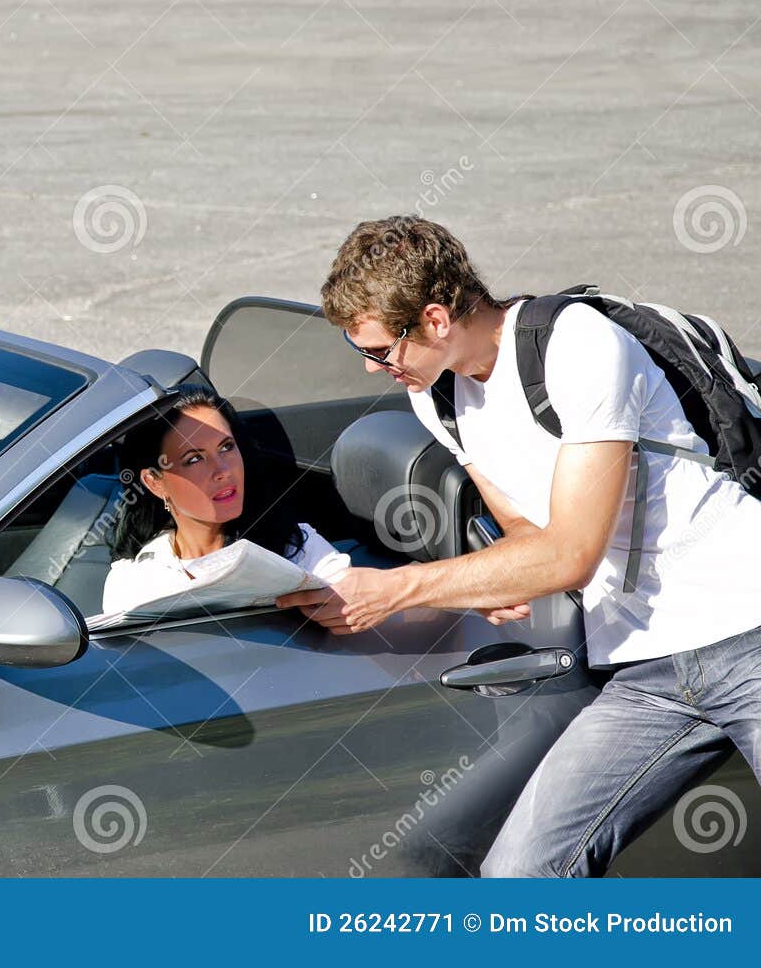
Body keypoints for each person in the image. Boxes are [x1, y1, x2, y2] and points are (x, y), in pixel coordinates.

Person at [284, 215, 761, 877]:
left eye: (381, 349)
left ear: (435, 318)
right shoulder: (440, 396)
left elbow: (569, 554)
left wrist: (394, 590)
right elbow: (530, 538)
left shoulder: (574, 343)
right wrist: (498, 578)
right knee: (521, 876)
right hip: (646, 669)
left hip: (747, 625)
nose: (374, 367)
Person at [102, 385, 351, 614]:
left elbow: (366, 619)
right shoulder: (133, 581)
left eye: (226, 447)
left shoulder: (298, 549)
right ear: (155, 482)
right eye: (194, 459)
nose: (223, 470)